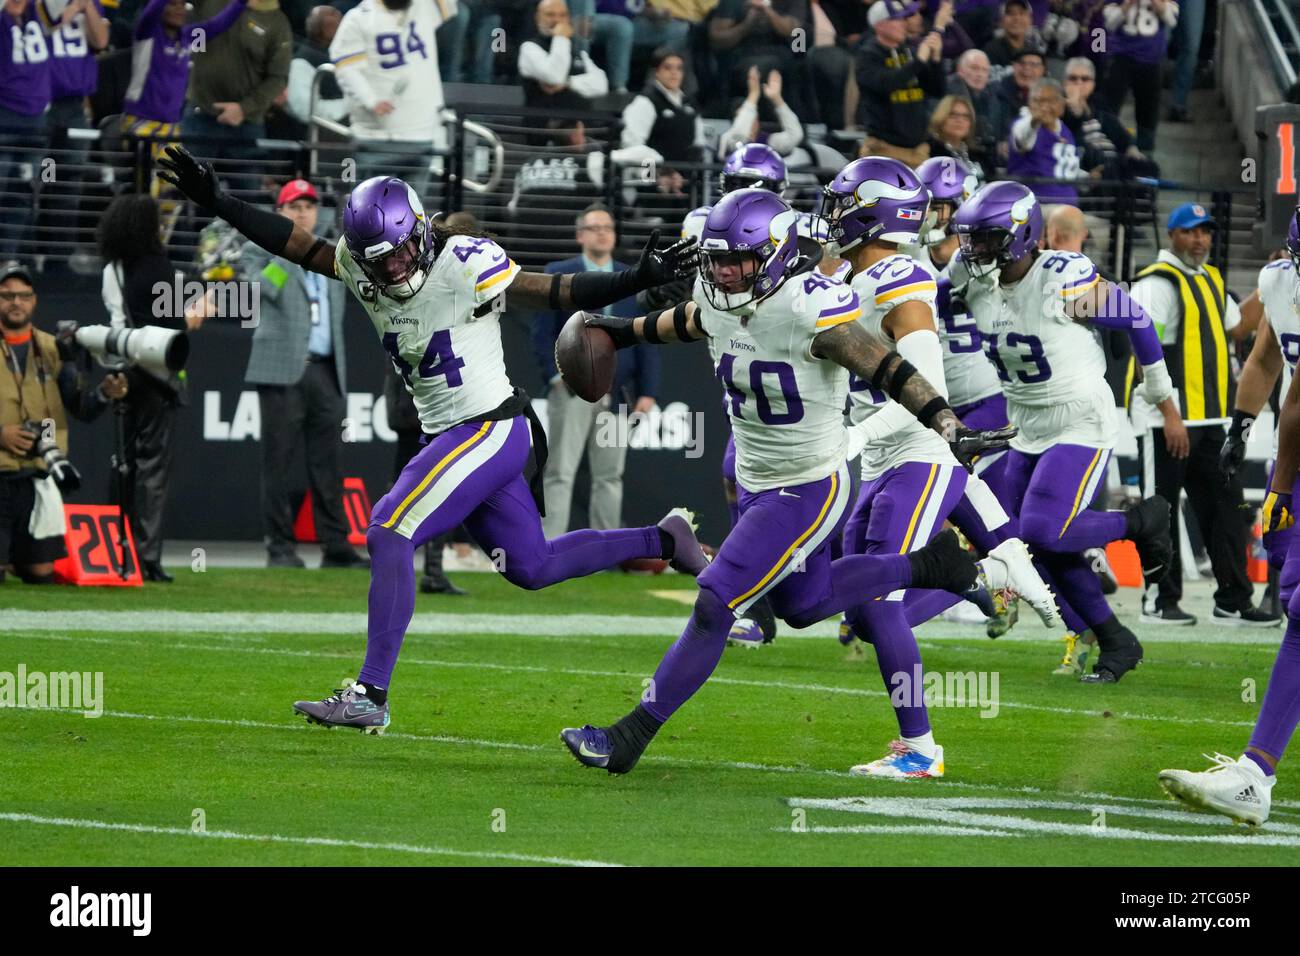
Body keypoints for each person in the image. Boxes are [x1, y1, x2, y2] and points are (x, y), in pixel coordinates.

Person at [157, 143, 704, 731]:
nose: (392, 269)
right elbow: (295, 244)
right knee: (533, 565)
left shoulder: (465, 262)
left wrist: (637, 277)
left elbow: (557, 293)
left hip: (487, 427)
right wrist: (219, 202)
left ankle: (371, 694)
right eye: (379, 261)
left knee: (390, 527)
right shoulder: (358, 261)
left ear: (419, 230)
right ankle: (664, 538)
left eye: (397, 255)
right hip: (462, 434)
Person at [558, 186, 1020, 775]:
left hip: (809, 484)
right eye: (717, 259)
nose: (724, 271)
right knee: (804, 605)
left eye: (737, 260)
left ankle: (627, 738)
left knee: (714, 603)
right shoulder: (719, 293)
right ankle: (931, 566)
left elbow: (890, 369)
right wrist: (620, 331)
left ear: (774, 255)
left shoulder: (810, 307)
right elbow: (691, 320)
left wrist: (945, 420)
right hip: (758, 478)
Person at [821, 157, 1057, 777]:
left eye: (845, 202)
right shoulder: (854, 273)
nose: (835, 214)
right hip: (881, 456)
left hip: (916, 455)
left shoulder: (899, 274)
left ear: (876, 212)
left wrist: (854, 435)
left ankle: (921, 748)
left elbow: (925, 393)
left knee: (876, 594)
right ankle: (974, 579)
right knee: (861, 611)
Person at [952, 180, 1178, 682]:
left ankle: (1142, 522)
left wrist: (1159, 390)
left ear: (1022, 235)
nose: (974, 250)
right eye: (970, 239)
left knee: (1041, 528)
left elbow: (1136, 320)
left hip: (1078, 416)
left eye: (986, 239)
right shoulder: (972, 280)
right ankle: (1115, 640)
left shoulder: (1058, 279)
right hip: (1027, 424)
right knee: (1024, 544)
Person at [1161, 208, 1300, 825]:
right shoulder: (1282, 280)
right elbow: (1273, 361)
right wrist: (1243, 427)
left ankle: (1255, 774)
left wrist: (1281, 483)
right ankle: (1256, 771)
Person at [1129, 202, 1274, 626]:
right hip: (1167, 420)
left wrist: (1272, 285)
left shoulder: (1208, 278)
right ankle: (1159, 600)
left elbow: (1237, 327)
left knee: (1226, 509)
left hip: (1210, 420)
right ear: (1172, 236)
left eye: (1206, 232)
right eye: (1191, 232)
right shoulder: (1154, 284)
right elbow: (1144, 353)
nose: (1201, 240)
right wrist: (1169, 414)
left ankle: (1233, 598)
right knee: (1162, 512)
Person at [240, 179, 368, 570]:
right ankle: (279, 546)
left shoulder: (332, 254)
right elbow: (261, 291)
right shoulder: (256, 249)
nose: (302, 213)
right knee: (277, 462)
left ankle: (336, 546)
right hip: (282, 370)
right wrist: (287, 250)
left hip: (326, 369)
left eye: (308, 207)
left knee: (328, 463)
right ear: (279, 213)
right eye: (293, 207)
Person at [533, 205, 659, 539]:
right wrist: (555, 377)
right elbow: (541, 333)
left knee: (610, 474)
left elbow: (644, 333)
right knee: (560, 470)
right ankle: (549, 545)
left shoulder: (632, 276)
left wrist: (648, 390)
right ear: (580, 235)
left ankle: (606, 548)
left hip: (617, 392)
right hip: (571, 389)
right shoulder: (559, 273)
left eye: (607, 227)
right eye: (594, 227)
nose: (602, 232)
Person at [1, 260, 127, 584]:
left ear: (34, 300)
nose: (16, 302)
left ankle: (16, 557)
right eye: (7, 295)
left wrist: (105, 393)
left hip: (38, 472)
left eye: (23, 295)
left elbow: (80, 407)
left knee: (42, 573)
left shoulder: (53, 348)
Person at [96, 194, 199, 582]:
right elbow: (173, 326)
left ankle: (113, 547)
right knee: (152, 469)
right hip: (155, 376)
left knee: (123, 463)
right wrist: (195, 314)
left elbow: (120, 319)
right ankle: (146, 556)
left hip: (123, 368)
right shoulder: (158, 266)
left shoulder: (114, 269)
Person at [330, 0, 456, 201]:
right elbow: (346, 67)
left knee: (414, 217)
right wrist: (370, 100)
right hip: (377, 137)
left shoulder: (421, 6)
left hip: (421, 134)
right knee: (368, 214)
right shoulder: (359, 17)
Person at [183, 0, 292, 164]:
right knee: (190, 186)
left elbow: (278, 78)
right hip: (200, 114)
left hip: (245, 124)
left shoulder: (278, 23)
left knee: (245, 187)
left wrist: (244, 108)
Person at [855, 0, 944, 167]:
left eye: (905, 19)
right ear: (880, 25)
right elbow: (887, 83)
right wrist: (918, 62)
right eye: (898, 19)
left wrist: (936, 59)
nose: (904, 24)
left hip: (918, 151)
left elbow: (937, 90)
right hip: (884, 151)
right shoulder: (867, 55)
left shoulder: (907, 51)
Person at [1099, 0, 1177, 153]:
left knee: (1147, 116)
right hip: (1121, 56)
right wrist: (1128, 4)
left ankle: (1144, 161)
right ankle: (1106, 155)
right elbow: (1109, 24)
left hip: (1151, 59)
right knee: (1109, 110)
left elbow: (1171, 20)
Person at [518, 0, 609, 113]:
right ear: (537, 18)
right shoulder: (529, 48)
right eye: (550, 15)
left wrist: (568, 83)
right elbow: (555, 76)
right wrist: (560, 37)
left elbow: (601, 85)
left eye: (562, 15)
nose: (557, 20)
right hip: (544, 125)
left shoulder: (577, 52)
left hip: (581, 123)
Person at [1006, 76, 1081, 206]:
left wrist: (1086, 177)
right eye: (1038, 101)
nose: (1044, 107)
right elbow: (1023, 138)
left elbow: (1061, 168)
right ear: (1029, 103)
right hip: (1033, 207)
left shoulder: (1065, 130)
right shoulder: (1023, 124)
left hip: (1068, 207)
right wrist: (1034, 122)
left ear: (1062, 104)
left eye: (1050, 101)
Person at [284, 6, 348, 132]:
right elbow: (304, 109)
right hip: (325, 136)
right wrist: (348, 107)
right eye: (331, 19)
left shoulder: (346, 54)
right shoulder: (302, 62)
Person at [718, 65, 803, 160]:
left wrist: (777, 99)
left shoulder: (768, 141)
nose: (749, 122)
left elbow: (794, 136)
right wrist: (753, 95)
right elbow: (739, 137)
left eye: (752, 118)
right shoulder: (727, 139)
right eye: (741, 118)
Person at [947, 49, 998, 163]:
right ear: (960, 70)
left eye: (984, 70)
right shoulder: (952, 89)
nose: (979, 74)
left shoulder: (987, 93)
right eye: (974, 68)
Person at [927, 93, 987, 178]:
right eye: (953, 115)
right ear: (941, 118)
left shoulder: (978, 153)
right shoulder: (930, 153)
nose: (959, 120)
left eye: (965, 116)